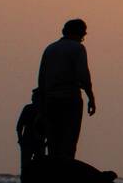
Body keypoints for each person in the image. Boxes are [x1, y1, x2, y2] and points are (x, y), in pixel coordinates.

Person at [37, 18, 96, 160]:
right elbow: (83, 75)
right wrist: (91, 97)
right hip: (70, 98)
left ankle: (54, 167)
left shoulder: (50, 48)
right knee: (69, 139)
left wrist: (42, 103)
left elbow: (41, 78)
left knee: (53, 140)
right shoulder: (77, 48)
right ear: (80, 33)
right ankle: (66, 168)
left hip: (50, 100)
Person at [16, 88, 47, 183]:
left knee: (31, 166)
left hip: (36, 142)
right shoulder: (36, 109)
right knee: (30, 165)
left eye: (34, 97)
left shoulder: (40, 110)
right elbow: (19, 126)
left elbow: (19, 126)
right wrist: (20, 139)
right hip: (31, 141)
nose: (32, 98)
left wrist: (20, 139)